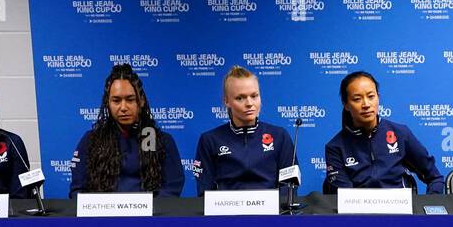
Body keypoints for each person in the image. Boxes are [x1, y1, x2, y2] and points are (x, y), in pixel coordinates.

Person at [69, 63, 185, 197]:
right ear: (108, 103)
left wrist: (148, 211)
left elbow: (171, 188)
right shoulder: (91, 140)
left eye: (130, 99)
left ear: (140, 101)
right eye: (116, 100)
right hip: (104, 215)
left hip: (149, 216)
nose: (123, 107)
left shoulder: (159, 140)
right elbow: (78, 191)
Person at [324, 70, 443, 193]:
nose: (366, 104)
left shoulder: (400, 133)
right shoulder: (335, 147)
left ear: (378, 98)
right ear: (346, 104)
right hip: (358, 210)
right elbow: (344, 196)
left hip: (401, 209)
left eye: (371, 96)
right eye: (357, 99)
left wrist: (429, 207)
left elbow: (435, 178)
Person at [193, 66, 298, 194]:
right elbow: (205, 191)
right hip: (225, 212)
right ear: (226, 101)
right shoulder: (209, 140)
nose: (249, 103)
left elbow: (288, 188)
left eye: (254, 96)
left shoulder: (280, 136)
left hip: (271, 213)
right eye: (240, 98)